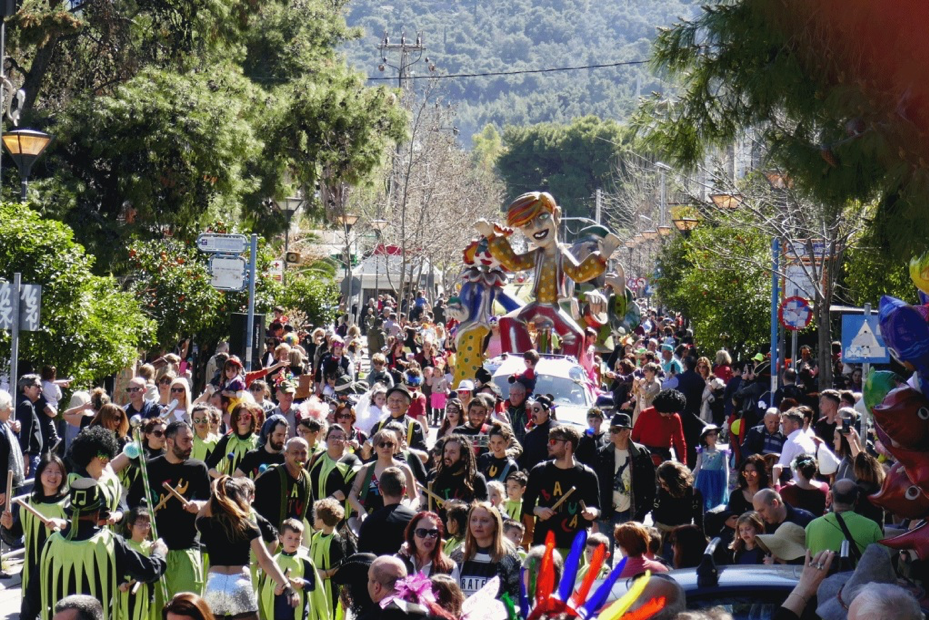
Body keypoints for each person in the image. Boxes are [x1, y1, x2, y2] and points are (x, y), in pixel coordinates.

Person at [22, 478, 168, 620]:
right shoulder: (109, 542)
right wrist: (159, 552)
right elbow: (148, 571)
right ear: (97, 513)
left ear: (71, 514)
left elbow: (33, 595)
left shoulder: (51, 543)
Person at [127, 420, 211, 602]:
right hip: (156, 550)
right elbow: (132, 500)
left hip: (187, 548)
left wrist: (199, 504)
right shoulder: (151, 467)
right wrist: (145, 511)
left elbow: (210, 503)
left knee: (187, 608)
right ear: (170, 441)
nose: (190, 445)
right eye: (185, 440)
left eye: (191, 440)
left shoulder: (197, 468)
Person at [197, 476, 298, 620]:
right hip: (239, 582)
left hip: (215, 583)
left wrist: (215, 492)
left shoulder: (208, 523)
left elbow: (201, 514)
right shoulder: (249, 525)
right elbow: (265, 560)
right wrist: (286, 585)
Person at [521, 425, 600, 551]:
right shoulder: (539, 471)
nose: (548, 445)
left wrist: (592, 512)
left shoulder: (587, 475)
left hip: (574, 546)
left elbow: (597, 509)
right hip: (544, 543)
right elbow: (527, 505)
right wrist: (538, 510)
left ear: (568, 445)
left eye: (553, 442)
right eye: (548, 441)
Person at [1, 453, 68, 597]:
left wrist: (63, 524)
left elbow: (77, 530)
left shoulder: (68, 502)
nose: (53, 476)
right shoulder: (28, 502)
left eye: (58, 472)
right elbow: (16, 534)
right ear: (39, 474)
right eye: (48, 471)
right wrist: (8, 525)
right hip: (33, 568)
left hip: (61, 569)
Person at [594, 412, 655, 553]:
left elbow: (651, 486)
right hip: (606, 513)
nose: (611, 433)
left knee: (631, 555)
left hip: (632, 512)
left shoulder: (641, 453)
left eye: (616, 430)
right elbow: (593, 483)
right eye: (610, 429)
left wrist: (643, 511)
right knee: (603, 556)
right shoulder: (601, 453)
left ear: (627, 431)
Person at [262, 518, 331, 620]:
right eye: (289, 538)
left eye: (297, 539)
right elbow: (266, 588)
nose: (293, 542)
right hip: (280, 611)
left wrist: (303, 583)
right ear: (281, 538)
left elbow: (313, 585)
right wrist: (274, 590)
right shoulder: (274, 561)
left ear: (301, 540)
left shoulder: (305, 561)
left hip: (300, 610)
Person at [449, 502, 521, 599]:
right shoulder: (459, 554)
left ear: (496, 525)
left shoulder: (508, 557)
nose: (478, 525)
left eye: (484, 520)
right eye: (474, 520)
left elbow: (517, 594)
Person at [349, 429, 418, 518]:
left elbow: (414, 498)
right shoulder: (366, 469)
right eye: (381, 444)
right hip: (370, 518)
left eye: (389, 444)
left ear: (395, 447)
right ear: (375, 447)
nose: (385, 447)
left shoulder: (404, 469)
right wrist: (360, 509)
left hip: (395, 518)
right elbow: (352, 496)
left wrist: (407, 512)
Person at [805, 479, 883, 556]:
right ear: (856, 500)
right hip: (857, 569)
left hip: (820, 568)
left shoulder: (811, 526)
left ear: (831, 498)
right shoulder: (872, 527)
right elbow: (883, 561)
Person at [254, 437, 313, 531]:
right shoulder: (271, 475)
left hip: (292, 541)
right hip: (269, 540)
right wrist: (270, 533)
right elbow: (252, 508)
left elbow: (310, 512)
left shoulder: (306, 478)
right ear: (286, 454)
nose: (300, 457)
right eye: (295, 452)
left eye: (304, 453)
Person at [356, 467, 417, 557]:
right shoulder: (416, 520)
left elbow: (363, 557)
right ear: (404, 490)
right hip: (409, 570)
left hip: (379, 569)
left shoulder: (369, 522)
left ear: (380, 489)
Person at [652, 460, 704, 560]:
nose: (662, 486)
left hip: (683, 538)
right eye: (660, 483)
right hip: (661, 536)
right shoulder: (659, 492)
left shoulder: (694, 495)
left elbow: (699, 520)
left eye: (665, 484)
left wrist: (702, 540)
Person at [308, 500, 346, 617]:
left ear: (322, 520)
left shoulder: (336, 541)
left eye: (315, 515)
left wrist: (325, 573)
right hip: (315, 585)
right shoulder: (315, 536)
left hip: (329, 588)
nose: (313, 517)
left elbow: (342, 566)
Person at [307, 425, 361, 507]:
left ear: (345, 441)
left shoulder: (352, 461)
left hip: (339, 513)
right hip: (312, 513)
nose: (336, 440)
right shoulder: (316, 457)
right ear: (326, 440)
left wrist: (326, 503)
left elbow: (352, 487)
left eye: (340, 437)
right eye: (332, 437)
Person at [631, 389, 688, 467]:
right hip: (644, 452)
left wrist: (683, 463)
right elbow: (635, 436)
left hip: (663, 455)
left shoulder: (675, 418)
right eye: (670, 411)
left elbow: (680, 442)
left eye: (674, 412)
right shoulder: (646, 414)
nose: (671, 414)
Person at [396, 511, 459, 579]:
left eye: (433, 533)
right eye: (422, 532)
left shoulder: (449, 568)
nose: (428, 537)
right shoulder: (398, 562)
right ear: (412, 535)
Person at [430, 434, 489, 505]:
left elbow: (484, 510)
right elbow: (425, 503)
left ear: (463, 457)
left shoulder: (476, 479)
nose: (446, 456)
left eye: (452, 452)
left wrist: (461, 505)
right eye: (445, 451)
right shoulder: (435, 476)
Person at [207, 403, 260, 478]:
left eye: (246, 417)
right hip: (229, 487)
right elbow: (209, 465)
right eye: (238, 417)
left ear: (252, 418)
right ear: (234, 420)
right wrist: (221, 477)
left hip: (251, 487)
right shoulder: (227, 439)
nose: (242, 420)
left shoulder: (258, 442)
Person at [369, 385, 428, 452]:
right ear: (387, 403)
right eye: (391, 400)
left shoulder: (415, 426)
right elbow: (366, 455)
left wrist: (407, 450)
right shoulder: (379, 425)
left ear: (407, 405)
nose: (395, 403)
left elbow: (425, 457)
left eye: (399, 400)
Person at [235, 414, 287, 479]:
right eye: (278, 435)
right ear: (268, 434)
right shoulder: (253, 456)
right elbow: (235, 480)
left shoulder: (286, 457)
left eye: (284, 435)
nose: (282, 439)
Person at [773, 409, 817, 483]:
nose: (782, 426)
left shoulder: (790, 443)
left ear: (795, 425)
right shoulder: (810, 441)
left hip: (794, 487)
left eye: (785, 422)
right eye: (782, 423)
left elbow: (781, 468)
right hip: (809, 484)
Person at [693, 424, 729, 510]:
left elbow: (726, 468)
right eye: (711, 435)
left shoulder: (722, 451)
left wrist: (726, 483)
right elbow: (697, 467)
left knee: (716, 499)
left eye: (715, 434)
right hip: (704, 478)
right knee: (703, 498)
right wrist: (691, 477)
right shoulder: (701, 451)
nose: (714, 436)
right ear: (705, 438)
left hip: (717, 478)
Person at [517, 394, 558, 471]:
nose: (532, 413)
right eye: (531, 410)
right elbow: (524, 458)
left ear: (546, 412)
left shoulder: (556, 431)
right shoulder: (530, 434)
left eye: (536, 410)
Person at [0, 389, 25, 511]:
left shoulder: (4, 426)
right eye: (9, 405)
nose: (12, 409)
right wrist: (1, 490)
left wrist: (16, 432)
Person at [16, 374, 45, 476]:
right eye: (37, 386)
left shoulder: (25, 403)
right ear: (26, 388)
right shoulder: (26, 405)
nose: (41, 389)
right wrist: (25, 455)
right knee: (28, 490)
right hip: (30, 457)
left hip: (30, 456)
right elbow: (24, 433)